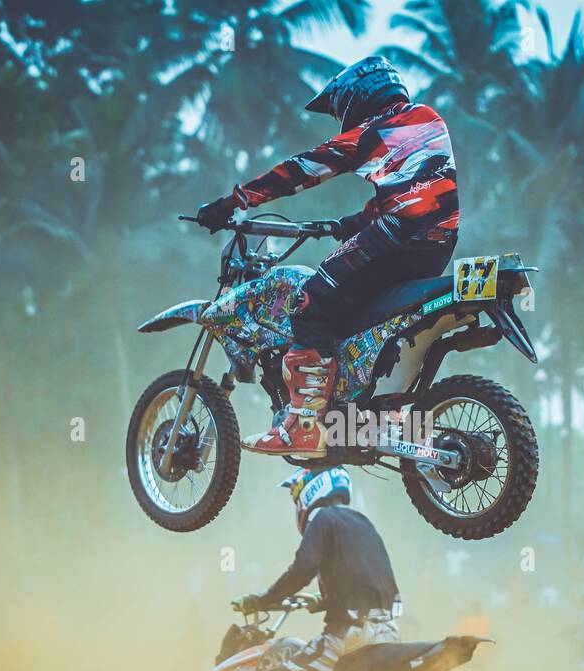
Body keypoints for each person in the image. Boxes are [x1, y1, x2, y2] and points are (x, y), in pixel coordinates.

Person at [194, 56, 459, 458]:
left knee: (308, 302)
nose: (341, 120)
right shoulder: (426, 120)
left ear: (358, 96)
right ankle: (367, 411)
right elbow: (417, 188)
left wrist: (234, 201)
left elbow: (302, 169)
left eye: (340, 110)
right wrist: (350, 223)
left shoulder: (373, 130)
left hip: (400, 235)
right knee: (359, 309)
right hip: (438, 243)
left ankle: (304, 424)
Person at [235, 466, 401, 671]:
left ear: (310, 491)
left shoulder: (322, 519)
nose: (296, 505)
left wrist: (262, 600)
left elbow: (303, 567)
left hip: (347, 636)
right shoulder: (361, 523)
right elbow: (365, 581)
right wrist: (324, 601)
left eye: (296, 496)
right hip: (386, 633)